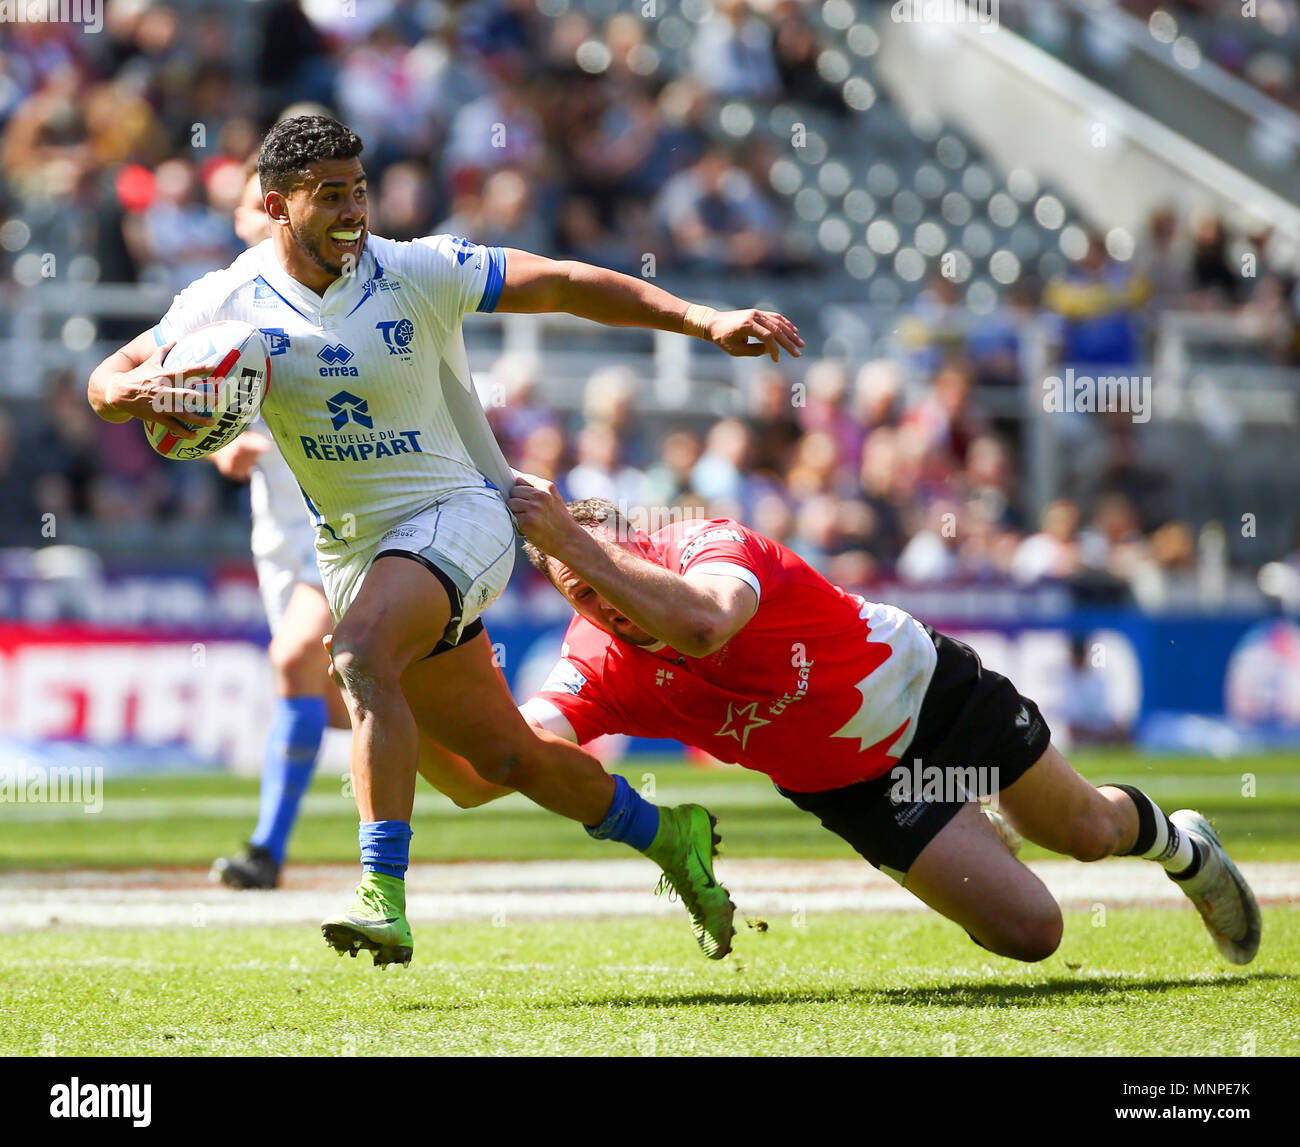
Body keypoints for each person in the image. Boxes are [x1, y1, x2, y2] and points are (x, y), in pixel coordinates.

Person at [86, 115, 804, 967]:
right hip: (353, 550)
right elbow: (105, 379)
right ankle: (670, 836)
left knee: (355, 653)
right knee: (494, 765)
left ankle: (381, 895)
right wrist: (139, 395)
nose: (355, 208)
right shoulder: (224, 301)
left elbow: (566, 282)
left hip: (462, 512)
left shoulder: (416, 269)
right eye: (331, 195)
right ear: (277, 205)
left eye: (361, 189)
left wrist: (701, 317)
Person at [503, 483, 1261, 967]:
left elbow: (704, 625)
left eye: (605, 572)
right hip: (852, 788)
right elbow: (513, 745)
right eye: (580, 591)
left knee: (1089, 832)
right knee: (1033, 935)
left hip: (926, 691)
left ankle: (1186, 849)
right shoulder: (594, 660)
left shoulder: (711, 546)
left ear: (638, 546)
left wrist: (572, 543)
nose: (603, 604)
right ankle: (970, 822)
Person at [207, 158, 350, 890]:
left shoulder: (333, 295)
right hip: (279, 536)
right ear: (247, 217)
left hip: (347, 530)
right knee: (353, 708)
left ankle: (266, 849)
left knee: (295, 656)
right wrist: (223, 444)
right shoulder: (221, 308)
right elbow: (192, 407)